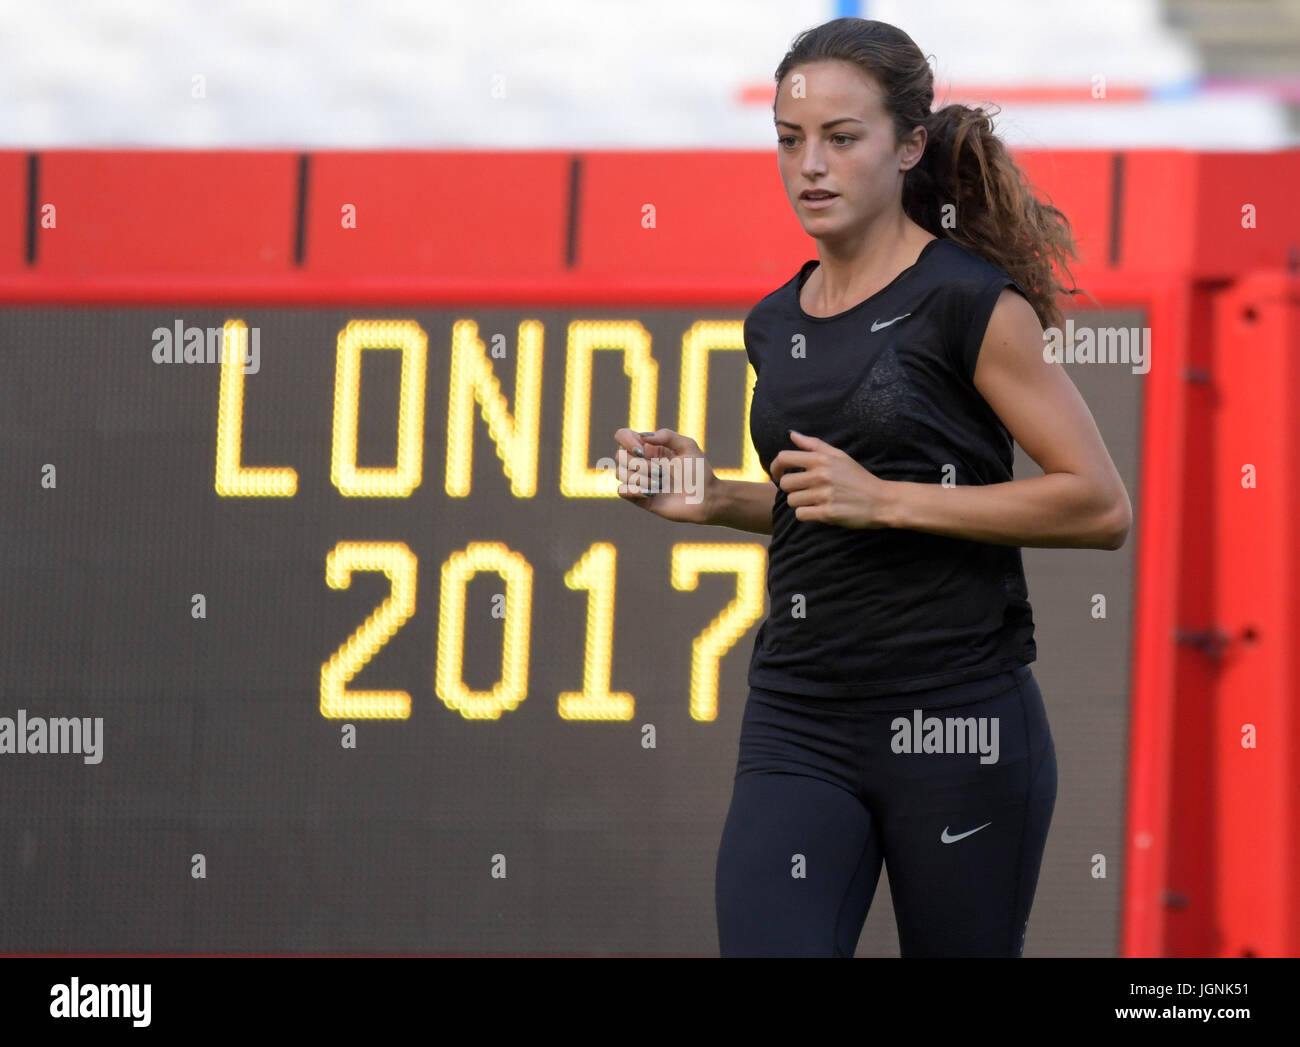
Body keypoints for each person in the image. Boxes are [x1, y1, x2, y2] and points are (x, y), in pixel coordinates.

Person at [612, 17, 1131, 957]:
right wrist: (714, 495)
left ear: (909, 145)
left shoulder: (970, 303)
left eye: (841, 139)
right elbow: (822, 502)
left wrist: (886, 496)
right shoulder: (773, 323)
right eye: (789, 140)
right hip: (799, 717)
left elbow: (1099, 505)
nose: (810, 165)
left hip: (960, 724)